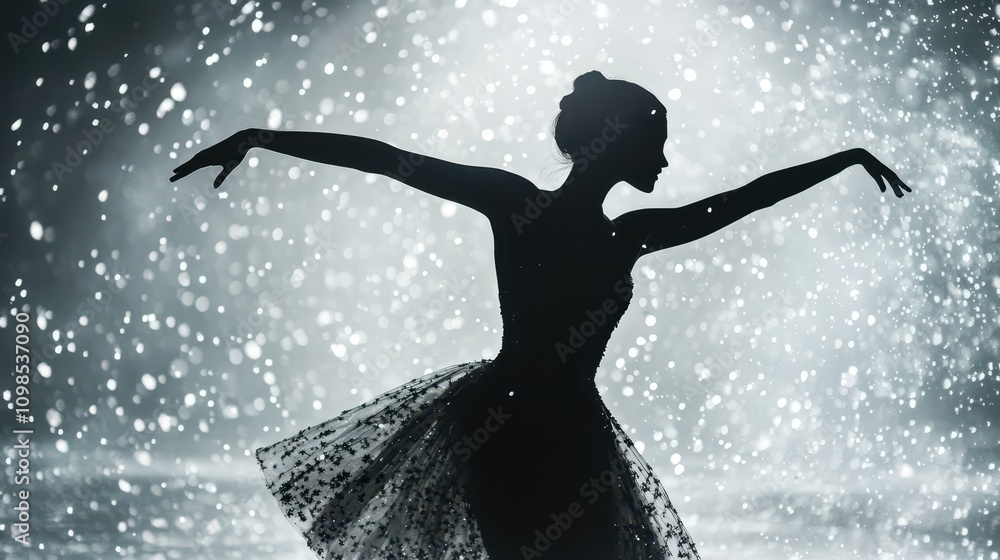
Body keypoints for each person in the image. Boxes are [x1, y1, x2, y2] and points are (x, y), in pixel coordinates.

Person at [169, 70, 911, 560]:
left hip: (522, 425)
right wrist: (263, 137)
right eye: (656, 143)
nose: (665, 159)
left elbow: (744, 200)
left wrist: (839, 159)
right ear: (616, 142)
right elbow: (386, 157)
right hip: (532, 433)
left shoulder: (581, 220)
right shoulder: (588, 223)